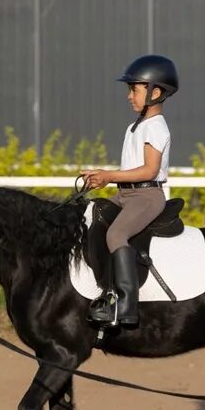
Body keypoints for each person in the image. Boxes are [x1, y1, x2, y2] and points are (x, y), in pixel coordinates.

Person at [80, 54, 178, 326]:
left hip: (146, 196)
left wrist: (109, 175)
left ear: (155, 92)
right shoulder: (135, 127)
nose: (129, 95)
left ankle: (125, 305)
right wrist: (102, 178)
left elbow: (148, 171)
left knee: (117, 233)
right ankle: (100, 290)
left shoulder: (156, 127)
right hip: (125, 194)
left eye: (134, 89)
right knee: (90, 217)